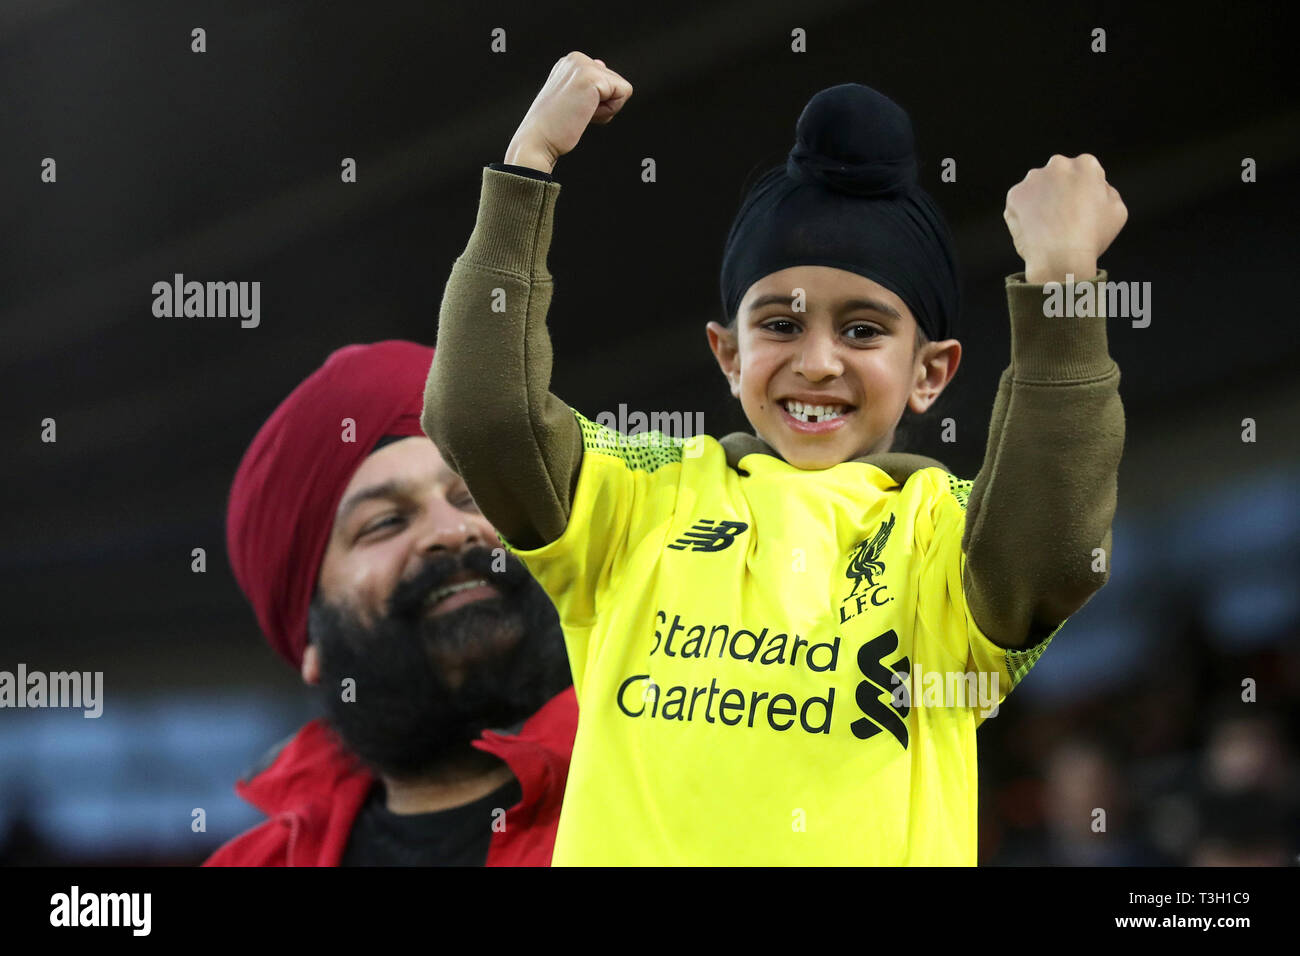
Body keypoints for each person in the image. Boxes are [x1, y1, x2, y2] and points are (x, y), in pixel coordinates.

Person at [423, 53, 1126, 864]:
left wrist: (1065, 281)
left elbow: (1060, 540)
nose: (819, 362)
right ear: (727, 354)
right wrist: (528, 163)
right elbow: (480, 416)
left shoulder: (949, 540)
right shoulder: (640, 496)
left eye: (863, 330)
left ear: (929, 373)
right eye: (781, 326)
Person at [205, 340, 576, 866]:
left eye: (474, 497)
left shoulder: (689, 770)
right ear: (311, 640)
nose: (453, 531)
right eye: (385, 523)